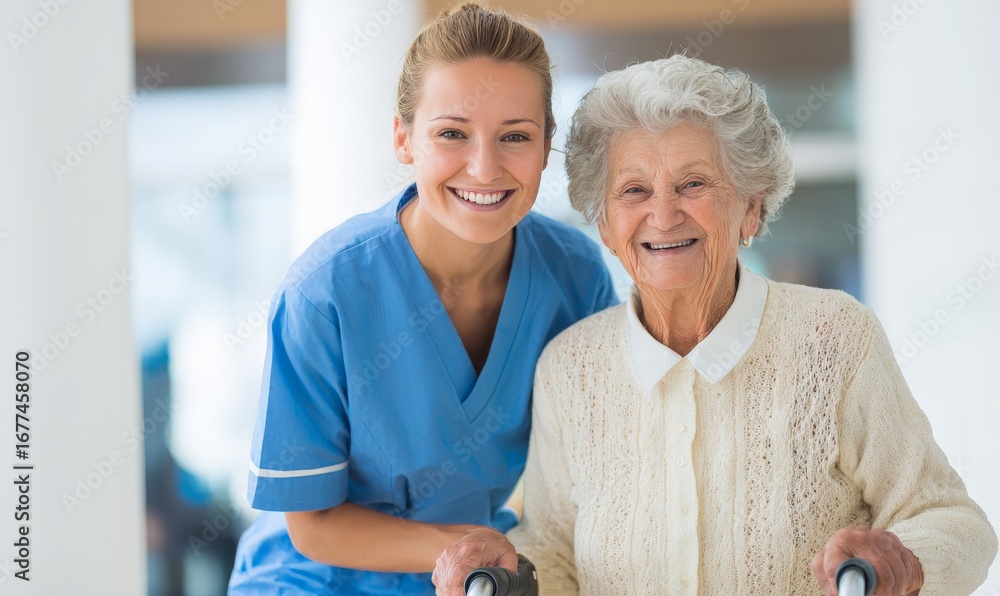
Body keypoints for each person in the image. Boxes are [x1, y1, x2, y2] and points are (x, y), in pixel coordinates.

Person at [433, 55, 997, 595]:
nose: (663, 214)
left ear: (751, 207)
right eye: (634, 191)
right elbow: (553, 549)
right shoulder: (570, 365)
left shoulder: (835, 337)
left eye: (693, 184)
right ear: (605, 225)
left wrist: (903, 561)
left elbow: (955, 523)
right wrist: (506, 575)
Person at [227, 4, 619, 594]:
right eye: (452, 134)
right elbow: (313, 525)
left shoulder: (575, 275)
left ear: (546, 148)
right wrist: (466, 548)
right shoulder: (325, 293)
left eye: (515, 136)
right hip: (313, 580)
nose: (484, 168)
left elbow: (602, 461)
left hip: (480, 577)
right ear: (403, 138)